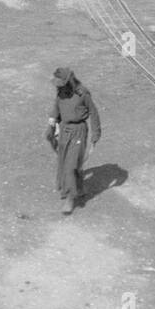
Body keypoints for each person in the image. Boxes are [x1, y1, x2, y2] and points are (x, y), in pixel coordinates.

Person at [45, 67, 101, 215]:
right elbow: (57, 107)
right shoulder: (61, 91)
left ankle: (70, 198)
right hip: (64, 131)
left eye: (60, 83)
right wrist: (52, 122)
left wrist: (96, 133)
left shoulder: (83, 93)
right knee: (67, 163)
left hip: (78, 132)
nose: (57, 86)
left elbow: (94, 112)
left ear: (68, 80)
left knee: (70, 166)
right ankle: (80, 187)